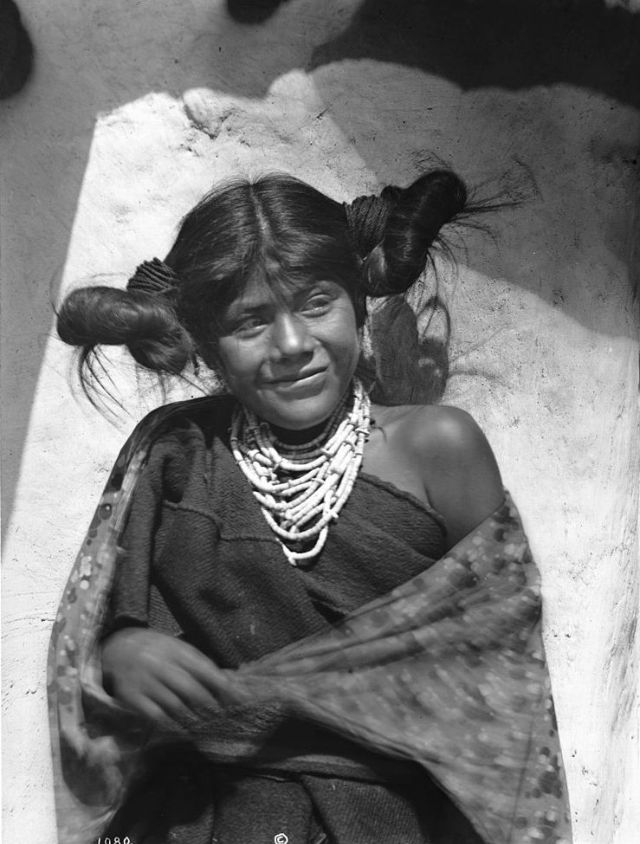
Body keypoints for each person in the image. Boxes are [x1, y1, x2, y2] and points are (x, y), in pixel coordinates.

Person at [50, 171, 572, 844]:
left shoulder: (438, 448)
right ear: (206, 346)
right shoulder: (176, 452)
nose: (292, 344)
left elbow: (498, 688)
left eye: (316, 303)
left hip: (376, 826)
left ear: (359, 303)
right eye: (250, 322)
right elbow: (91, 629)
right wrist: (119, 652)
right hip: (192, 821)